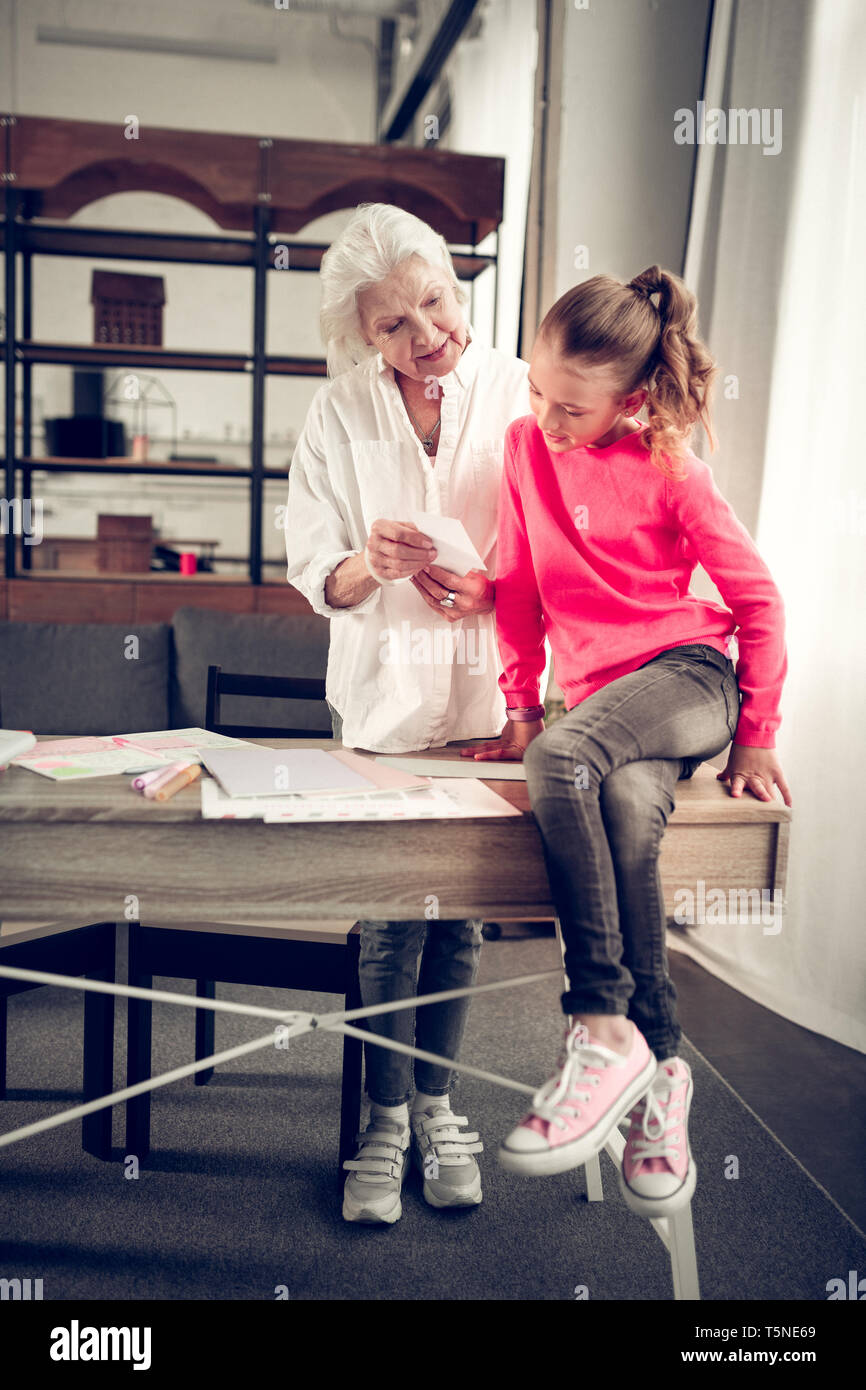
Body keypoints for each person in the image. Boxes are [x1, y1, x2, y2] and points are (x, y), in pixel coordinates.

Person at [463, 265, 792, 1217]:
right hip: (610, 710)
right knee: (619, 806)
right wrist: (522, 703)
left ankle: (600, 1024)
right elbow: (520, 585)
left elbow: (758, 598)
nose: (545, 414)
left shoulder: (672, 468)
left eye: (570, 404)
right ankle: (662, 1077)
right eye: (535, 389)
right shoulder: (527, 449)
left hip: (690, 681)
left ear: (634, 399)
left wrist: (757, 737)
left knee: (563, 762)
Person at [284, 202, 529, 1224]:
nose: (424, 335)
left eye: (431, 302)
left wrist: (497, 592)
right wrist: (360, 564)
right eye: (393, 324)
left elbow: (558, 547)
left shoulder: (518, 388)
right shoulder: (334, 415)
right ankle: (381, 1122)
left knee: (457, 922)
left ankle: (434, 1105)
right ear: (361, 338)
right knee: (390, 921)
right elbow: (309, 566)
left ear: (450, 282)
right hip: (383, 707)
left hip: (484, 704)